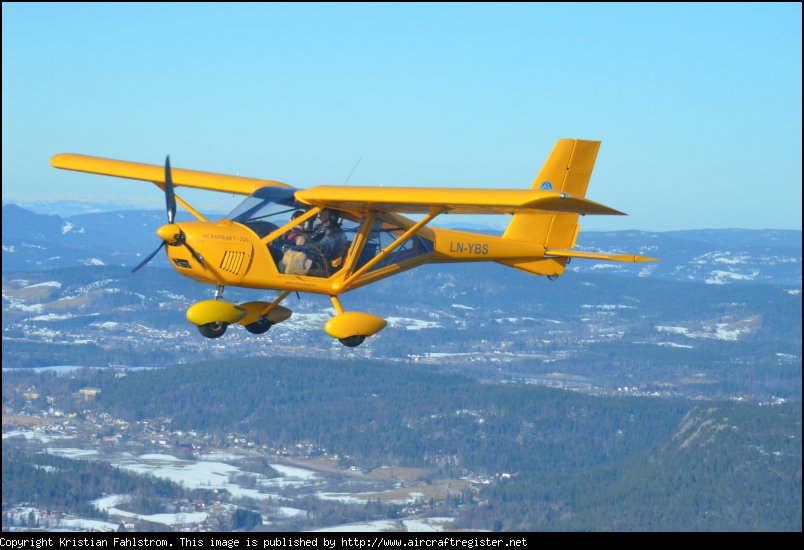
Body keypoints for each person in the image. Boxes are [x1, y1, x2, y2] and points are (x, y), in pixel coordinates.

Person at [290, 209, 348, 276]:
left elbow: (323, 250)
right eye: (319, 211)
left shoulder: (335, 233)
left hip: (323, 267)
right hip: (312, 259)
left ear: (332, 215)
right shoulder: (319, 228)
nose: (319, 213)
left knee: (285, 264)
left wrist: (305, 243)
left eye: (323, 211)